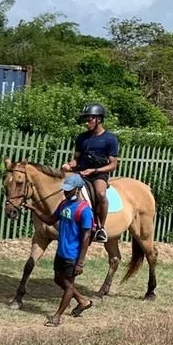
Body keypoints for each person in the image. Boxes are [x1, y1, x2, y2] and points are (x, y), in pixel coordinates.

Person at [24, 173, 94, 326]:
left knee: (68, 285)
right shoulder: (64, 205)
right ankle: (82, 301)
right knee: (58, 279)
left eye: (69, 190)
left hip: (73, 255)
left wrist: (80, 262)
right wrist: (34, 209)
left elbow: (86, 237)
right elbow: (50, 220)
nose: (65, 192)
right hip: (61, 251)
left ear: (77, 190)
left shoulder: (85, 210)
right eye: (65, 190)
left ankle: (57, 316)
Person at [63, 102, 118, 243]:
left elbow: (113, 165)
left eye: (89, 120)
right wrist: (69, 165)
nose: (86, 123)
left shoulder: (110, 139)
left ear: (99, 119)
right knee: (64, 188)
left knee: (100, 193)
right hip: (81, 173)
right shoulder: (81, 138)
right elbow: (76, 159)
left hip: (99, 173)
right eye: (85, 120)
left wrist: (95, 170)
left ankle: (101, 227)